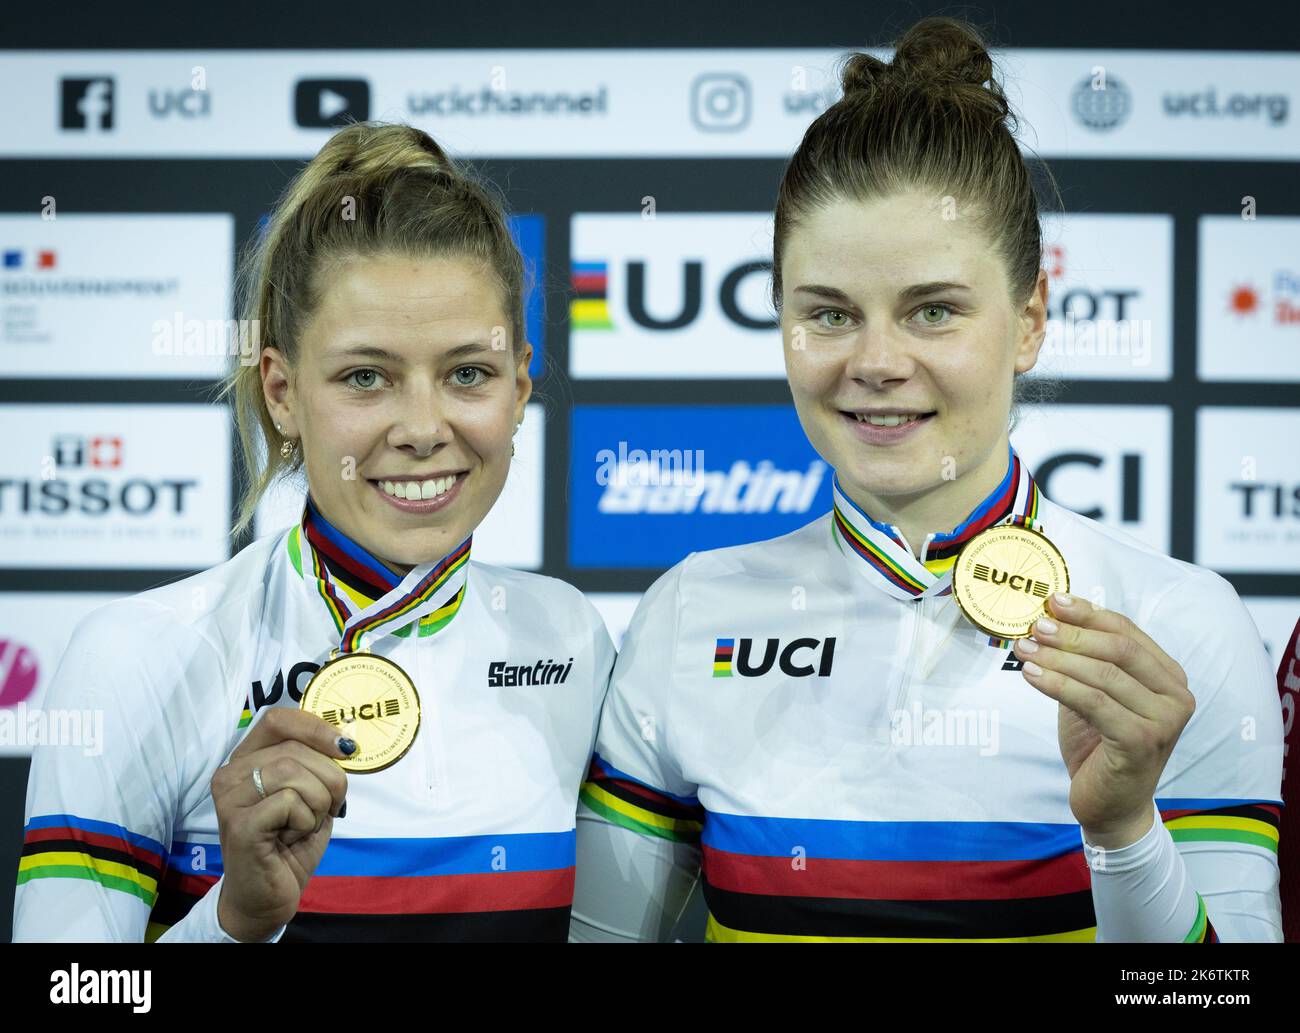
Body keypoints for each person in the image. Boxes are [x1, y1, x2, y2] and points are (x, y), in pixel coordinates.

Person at [570, 17, 1283, 943]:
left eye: (933, 311)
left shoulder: (1180, 623)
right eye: (829, 314)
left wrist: (1122, 833)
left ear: (1030, 319)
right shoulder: (686, 616)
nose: (875, 362)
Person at [14, 121, 614, 942]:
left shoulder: (574, 641)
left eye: (467, 373)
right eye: (365, 376)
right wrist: (235, 920)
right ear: (283, 392)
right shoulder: (138, 655)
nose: (422, 428)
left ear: (520, 386)